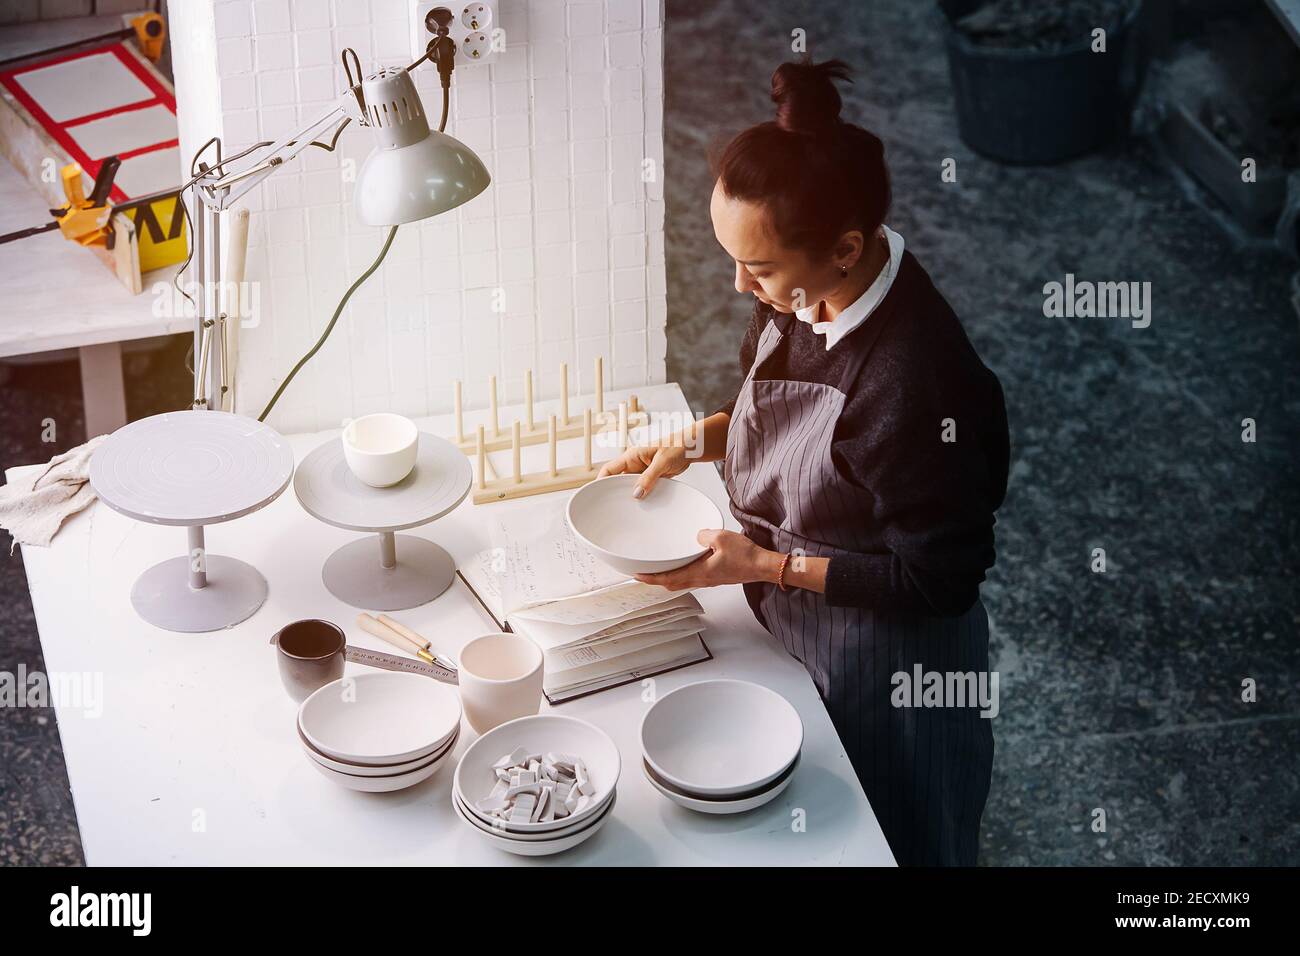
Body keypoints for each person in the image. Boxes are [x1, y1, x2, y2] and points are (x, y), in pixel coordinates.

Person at [599, 58, 1010, 865]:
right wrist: (698, 440)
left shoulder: (917, 387)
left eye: (759, 267)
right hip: (788, 617)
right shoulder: (808, 288)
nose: (738, 283)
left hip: (890, 664)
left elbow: (938, 581)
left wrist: (768, 564)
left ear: (847, 249)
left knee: (893, 836)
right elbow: (770, 396)